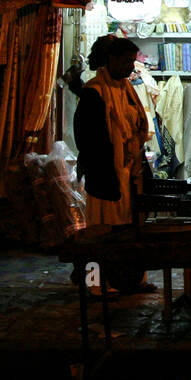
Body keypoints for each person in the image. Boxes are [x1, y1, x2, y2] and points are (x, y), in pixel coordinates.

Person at [72, 37, 151, 292]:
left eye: (132, 61)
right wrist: (102, 166)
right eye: (127, 61)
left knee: (128, 230)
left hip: (128, 171)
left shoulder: (126, 89)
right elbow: (87, 136)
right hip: (105, 174)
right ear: (112, 60)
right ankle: (96, 285)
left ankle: (128, 280)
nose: (131, 67)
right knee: (101, 232)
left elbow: (138, 125)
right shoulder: (94, 92)